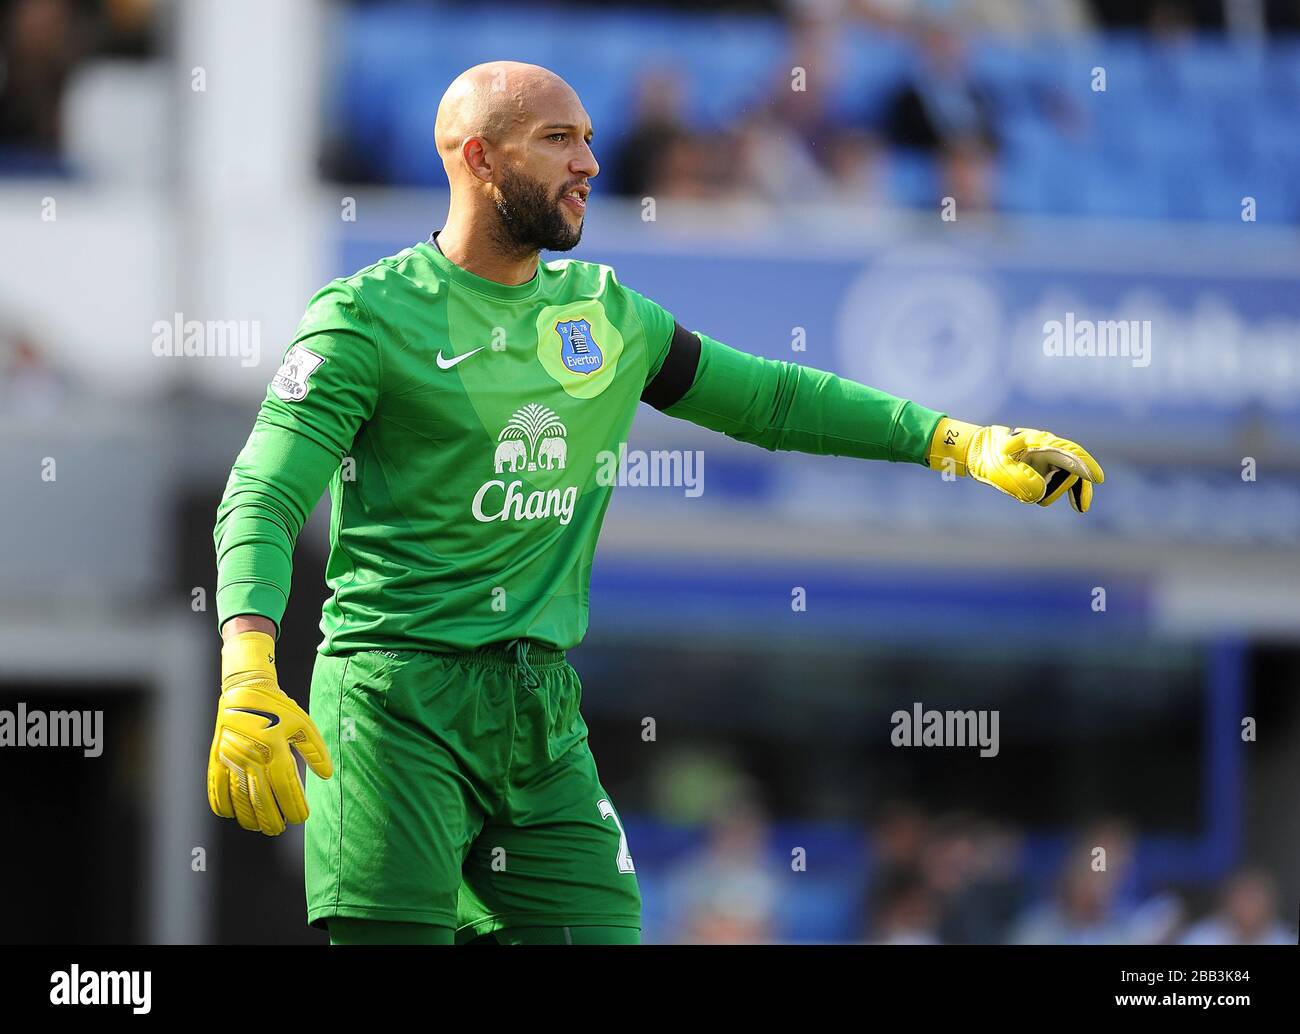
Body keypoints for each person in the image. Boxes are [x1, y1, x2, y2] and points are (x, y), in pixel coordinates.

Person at [208, 61, 1104, 946]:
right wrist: (249, 664)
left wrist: (958, 442)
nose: (589, 164)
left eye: (590, 140)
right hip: (394, 705)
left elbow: (773, 399)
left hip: (539, 708)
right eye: (558, 140)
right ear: (479, 157)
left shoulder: (605, 314)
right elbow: (263, 494)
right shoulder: (364, 318)